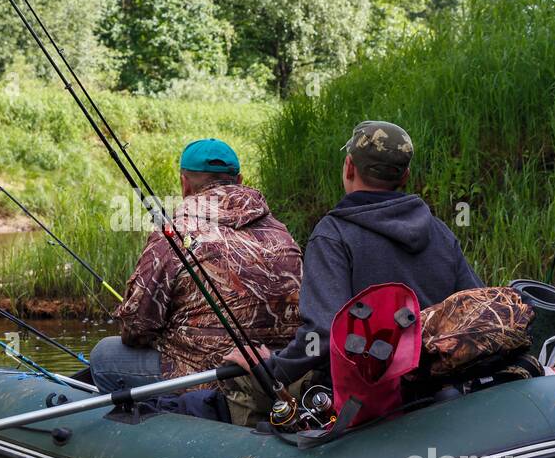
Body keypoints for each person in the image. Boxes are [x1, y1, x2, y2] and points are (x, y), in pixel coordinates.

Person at [222, 120, 482, 423]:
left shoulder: (333, 234)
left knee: (240, 379)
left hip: (361, 396)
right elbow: (474, 307)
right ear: (405, 176)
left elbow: (322, 334)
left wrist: (271, 368)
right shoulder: (439, 232)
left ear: (349, 167)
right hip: (434, 384)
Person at [88, 138, 302, 393]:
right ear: (240, 180)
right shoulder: (280, 231)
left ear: (184, 183)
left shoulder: (174, 233)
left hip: (210, 378)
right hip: (275, 371)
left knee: (105, 355)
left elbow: (135, 329)